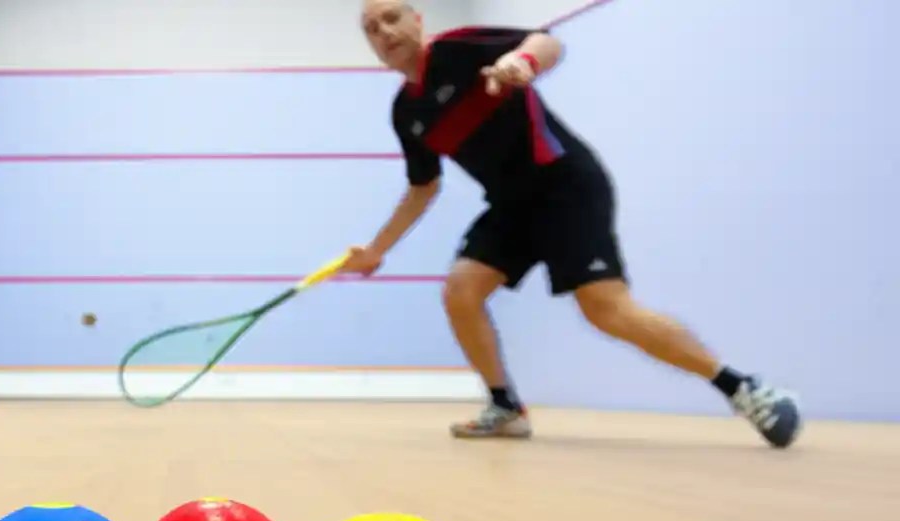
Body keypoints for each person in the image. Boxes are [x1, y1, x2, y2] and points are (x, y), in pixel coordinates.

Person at [343, 0, 801, 448]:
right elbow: (423, 186)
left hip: (566, 184)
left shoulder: (461, 49)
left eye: (391, 18)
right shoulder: (407, 114)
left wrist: (521, 62)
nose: (384, 32)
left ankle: (744, 389)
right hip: (512, 206)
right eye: (371, 28)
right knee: (461, 291)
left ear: (417, 21)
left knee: (605, 309)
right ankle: (505, 408)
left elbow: (547, 44)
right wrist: (377, 249)